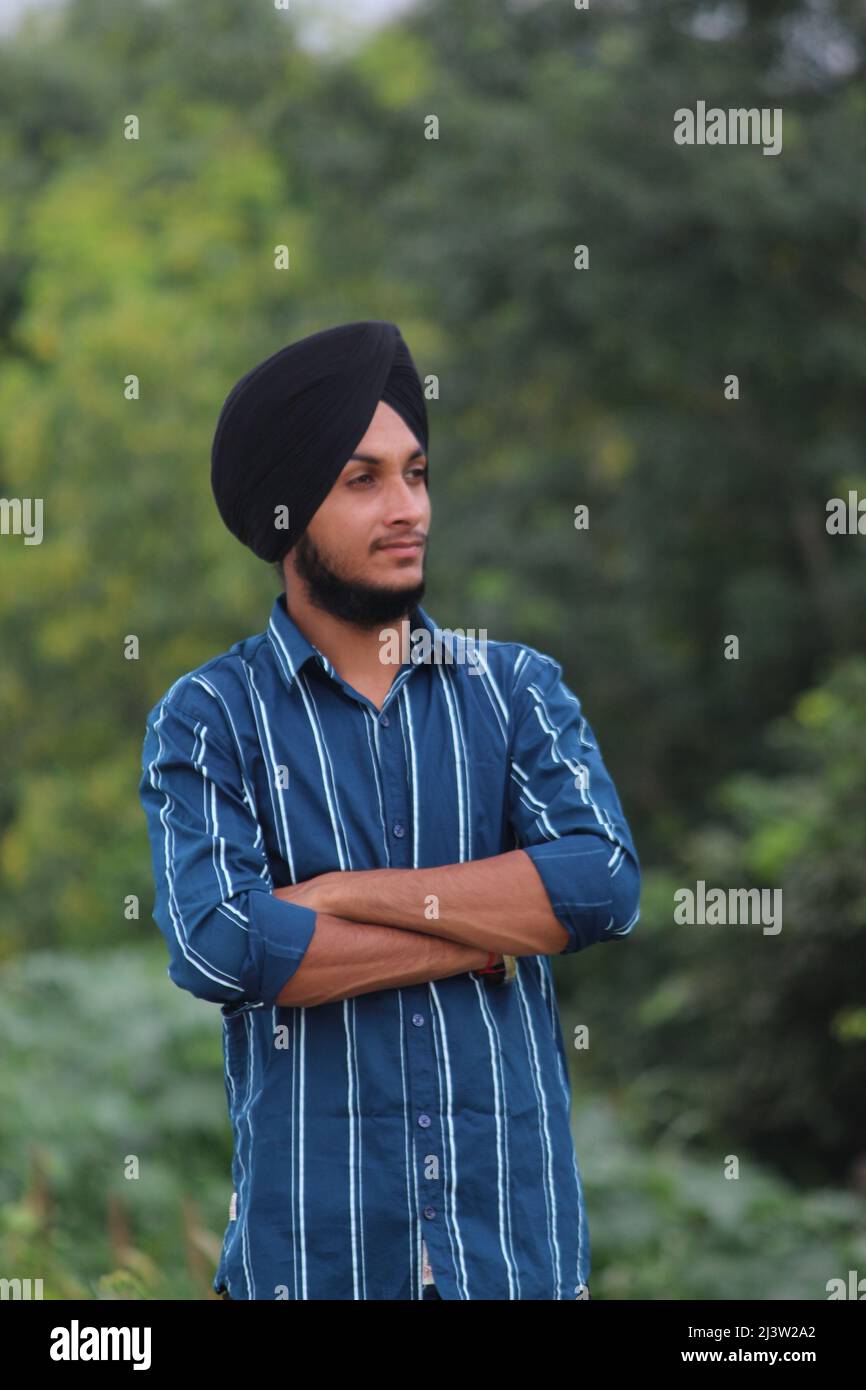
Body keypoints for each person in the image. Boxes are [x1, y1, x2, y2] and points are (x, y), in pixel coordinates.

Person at [138, 320, 639, 1300]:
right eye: (361, 479)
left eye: (414, 473)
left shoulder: (514, 691)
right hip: (313, 1275)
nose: (406, 506)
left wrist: (336, 896)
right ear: (283, 516)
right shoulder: (211, 720)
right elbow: (224, 947)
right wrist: (491, 932)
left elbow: (599, 882)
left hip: (512, 1269)